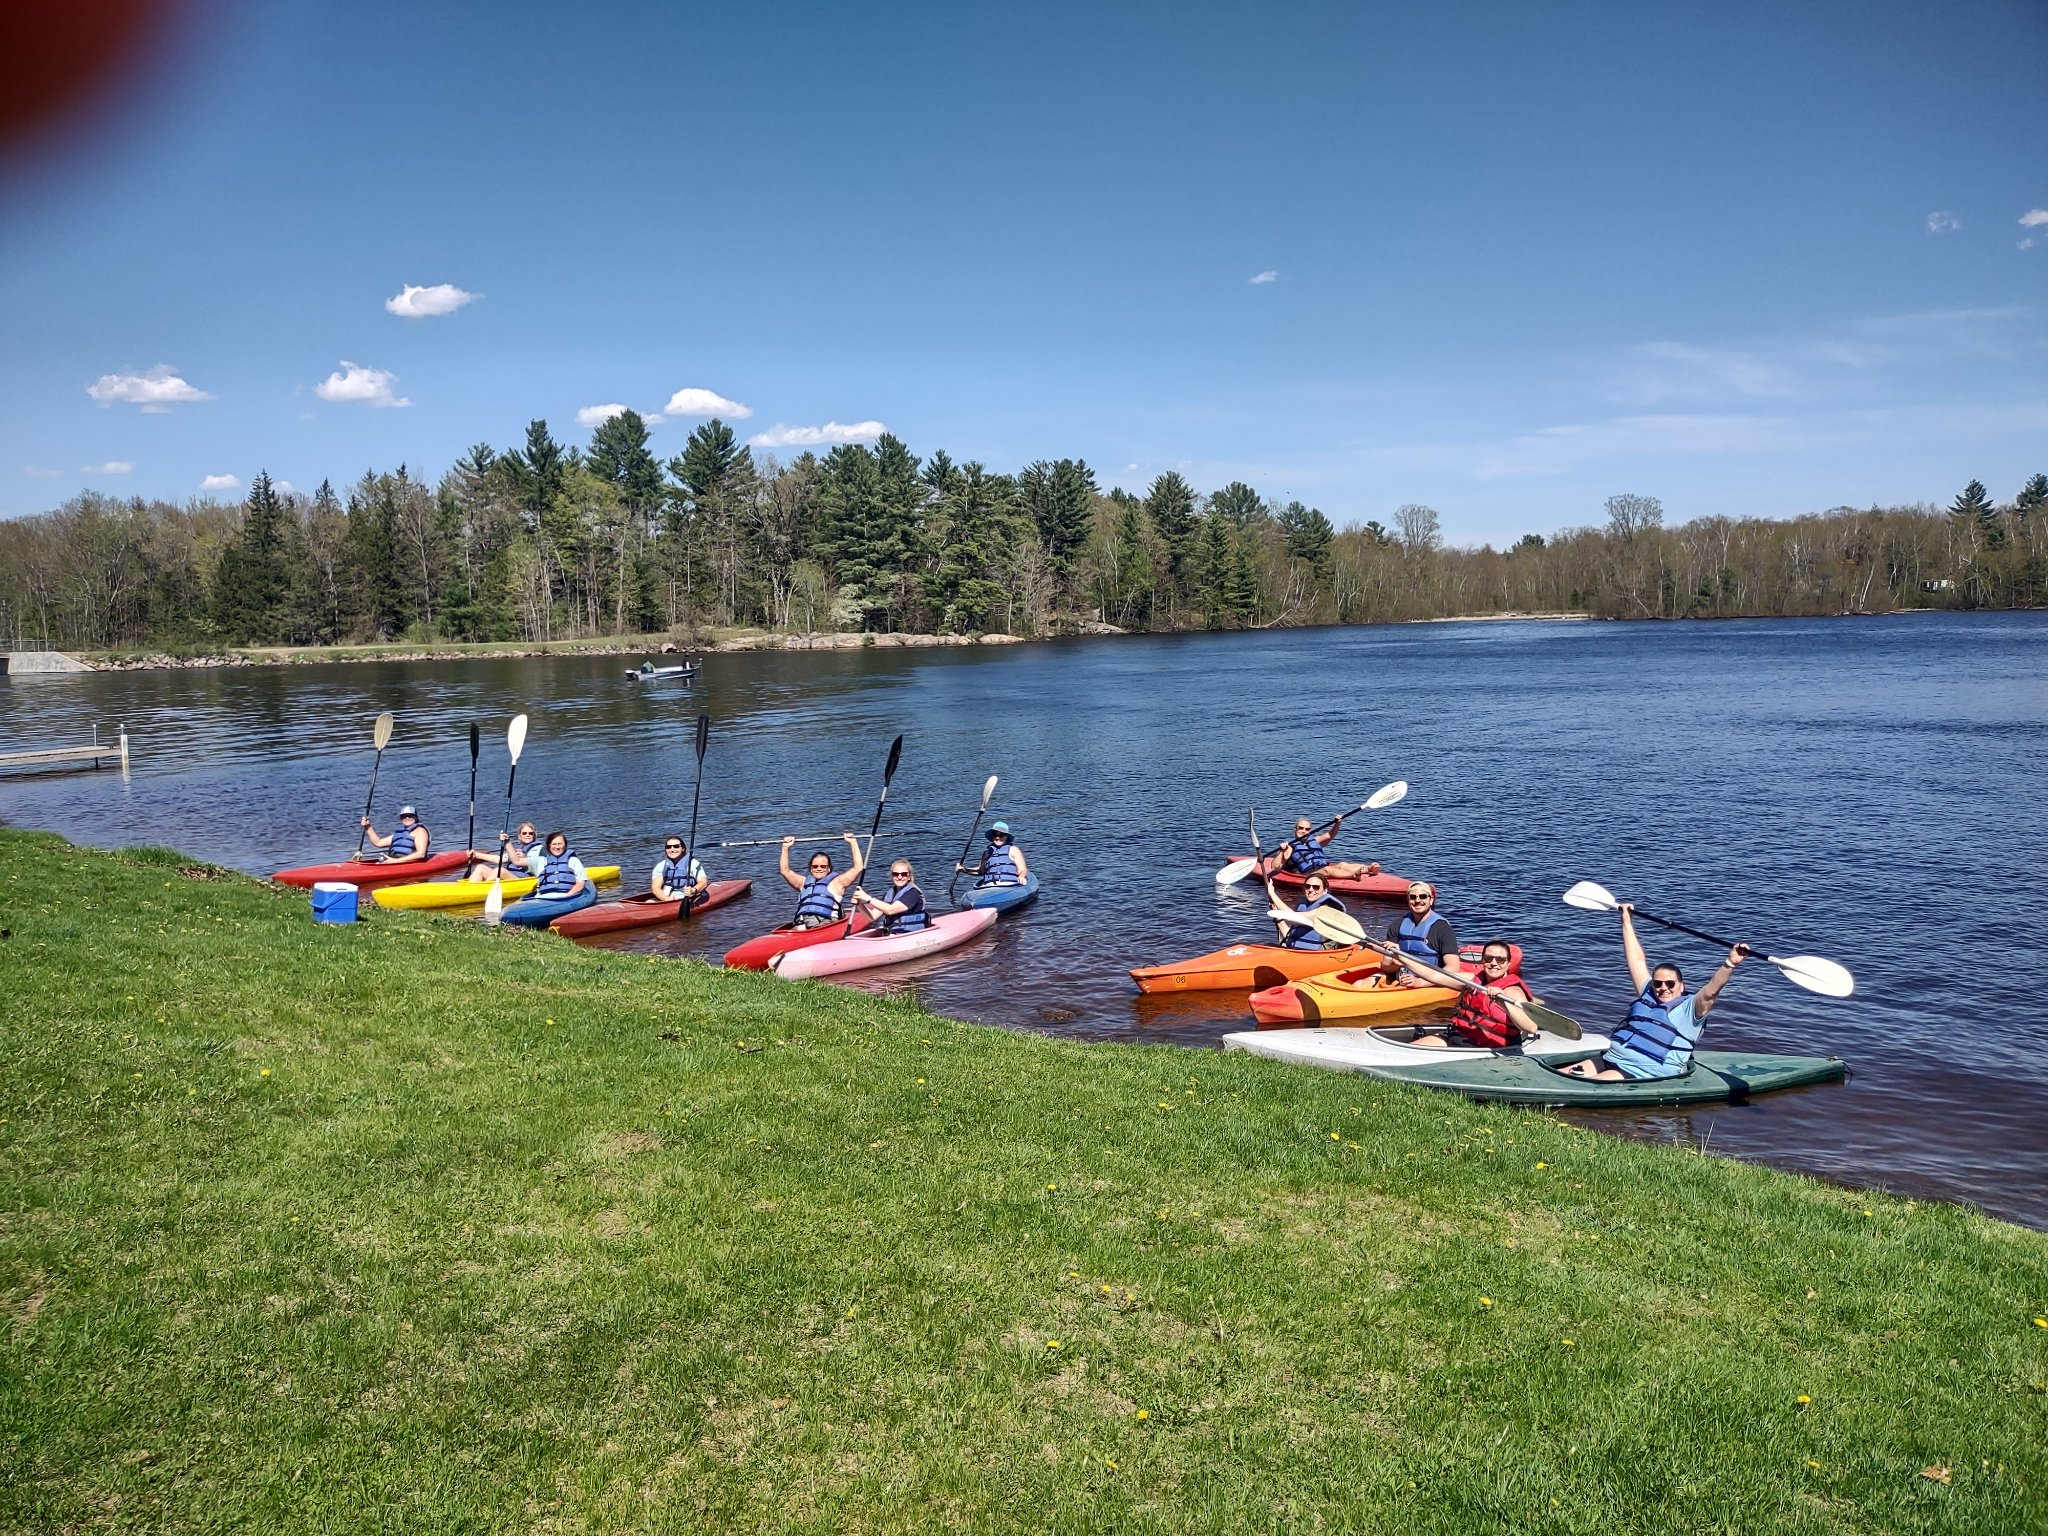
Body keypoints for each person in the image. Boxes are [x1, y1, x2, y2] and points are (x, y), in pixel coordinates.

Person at [1560, 904, 1748, 1080]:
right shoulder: (1649, 993)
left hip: (1635, 1072)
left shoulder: (1690, 1009)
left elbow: (1711, 992)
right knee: (1560, 1076)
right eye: (1658, 983)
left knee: (1580, 1085)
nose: (1663, 988)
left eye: (1670, 983)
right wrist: (1626, 921)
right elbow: (1637, 961)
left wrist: (1729, 964)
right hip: (1609, 1058)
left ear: (1681, 986)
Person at [1393, 940, 1540, 1050]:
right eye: (1489, 959)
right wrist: (1401, 957)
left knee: (1415, 1052)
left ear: (1508, 964)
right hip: (1461, 1036)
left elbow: (1531, 1027)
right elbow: (1434, 975)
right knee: (1413, 1048)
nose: (1494, 963)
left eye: (1500, 960)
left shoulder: (1513, 992)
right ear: (1482, 961)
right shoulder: (1472, 980)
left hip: (1491, 1046)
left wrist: (1503, 1003)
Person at [779, 833, 866, 928]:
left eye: (823, 866)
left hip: (825, 924)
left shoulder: (837, 883)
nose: (819, 869)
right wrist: (785, 847)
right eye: (815, 866)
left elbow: (858, 868)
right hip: (802, 924)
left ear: (829, 869)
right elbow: (785, 871)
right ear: (811, 869)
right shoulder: (803, 883)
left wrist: (853, 842)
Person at [1275, 814, 1382, 883]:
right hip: (1308, 874)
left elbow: (1330, 835)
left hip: (1322, 867)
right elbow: (1275, 867)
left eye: (1307, 829)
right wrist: (1281, 852)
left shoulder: (1315, 840)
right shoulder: (1289, 846)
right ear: (1295, 829)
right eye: (1301, 828)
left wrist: (1337, 823)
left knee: (1342, 864)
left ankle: (1368, 868)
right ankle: (1354, 875)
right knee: (1328, 870)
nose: (1304, 831)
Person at [1386, 882, 1463, 976]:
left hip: (1429, 980)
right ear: (1408, 900)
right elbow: (1386, 966)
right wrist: (1397, 963)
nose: (1417, 900)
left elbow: (1453, 967)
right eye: (1413, 897)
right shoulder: (1397, 925)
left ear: (1431, 900)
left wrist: (1422, 982)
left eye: (1423, 896)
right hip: (1401, 976)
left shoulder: (1442, 928)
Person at [1267, 871, 1349, 950]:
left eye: (1316, 887)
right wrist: (1278, 916)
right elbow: (1289, 936)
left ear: (1325, 891)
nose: (1311, 890)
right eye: (1307, 886)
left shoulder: (1328, 909)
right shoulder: (1303, 906)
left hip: (1319, 954)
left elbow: (1292, 917)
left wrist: (1272, 894)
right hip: (1297, 950)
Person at [851, 858, 929, 934]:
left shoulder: (913, 893)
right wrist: (859, 904)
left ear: (909, 877)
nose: (899, 877)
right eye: (896, 874)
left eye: (903, 874)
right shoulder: (890, 894)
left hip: (911, 934)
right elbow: (872, 916)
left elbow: (890, 910)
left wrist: (868, 898)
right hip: (894, 933)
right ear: (892, 876)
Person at [523, 830, 589, 903]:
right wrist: (508, 842)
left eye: (560, 844)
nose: (557, 847)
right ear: (549, 846)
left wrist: (568, 896)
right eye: (554, 844)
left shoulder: (573, 860)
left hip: (565, 897)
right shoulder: (541, 861)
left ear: (565, 845)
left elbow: (581, 883)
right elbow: (516, 861)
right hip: (543, 898)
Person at [959, 821, 1030, 888]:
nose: (998, 837)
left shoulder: (1013, 850)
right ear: (992, 836)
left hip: (1009, 884)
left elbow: (1023, 869)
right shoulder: (987, 852)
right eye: (995, 834)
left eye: (1001, 835)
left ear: (1006, 836)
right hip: (989, 886)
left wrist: (1021, 876)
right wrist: (964, 870)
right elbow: (980, 871)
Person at [358, 804, 430, 864]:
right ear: (401, 818)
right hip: (396, 861)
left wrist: (395, 861)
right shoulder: (401, 833)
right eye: (404, 816)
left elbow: (421, 854)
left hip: (409, 863)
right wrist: (368, 827)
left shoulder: (420, 831)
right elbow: (378, 843)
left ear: (416, 817)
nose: (407, 818)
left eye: (410, 815)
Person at [469, 820, 540, 879]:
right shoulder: (516, 849)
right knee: (480, 868)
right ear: (520, 836)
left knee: (500, 871)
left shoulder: (537, 849)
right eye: (524, 833)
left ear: (534, 835)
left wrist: (524, 858)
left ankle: (485, 890)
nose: (528, 835)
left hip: (522, 879)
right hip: (509, 876)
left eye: (531, 833)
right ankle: (470, 889)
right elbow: (500, 859)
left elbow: (536, 865)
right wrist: (476, 855)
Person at [651, 835, 709, 904]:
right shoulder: (661, 866)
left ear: (683, 849)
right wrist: (666, 899)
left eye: (676, 846)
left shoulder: (693, 863)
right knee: (649, 901)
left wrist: (693, 890)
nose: (672, 849)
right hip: (667, 898)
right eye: (668, 847)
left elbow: (703, 882)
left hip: (688, 897)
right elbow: (656, 888)